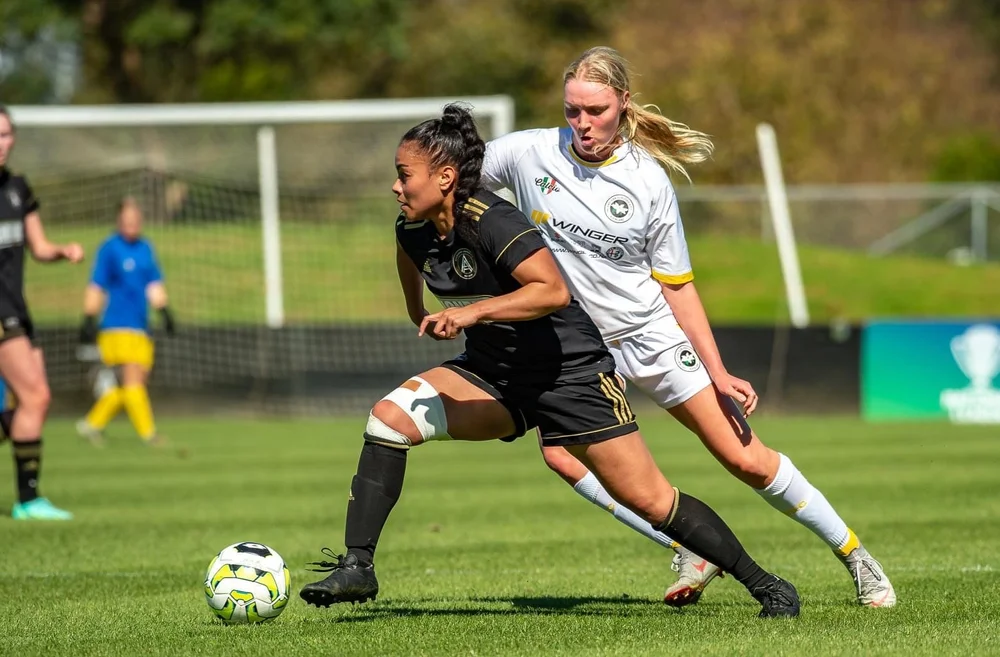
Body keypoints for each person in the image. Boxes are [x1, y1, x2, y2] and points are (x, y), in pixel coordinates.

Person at [298, 104, 800, 618]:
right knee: (389, 418)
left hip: (572, 374)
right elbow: (409, 255)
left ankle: (769, 586)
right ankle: (358, 565)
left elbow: (553, 291)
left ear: (446, 177)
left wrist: (471, 313)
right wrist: (415, 309)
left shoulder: (493, 220)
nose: (396, 187)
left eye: (405, 175)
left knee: (651, 501)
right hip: (493, 374)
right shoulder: (412, 228)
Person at [481, 46, 896, 609]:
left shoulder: (648, 183)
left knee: (744, 458)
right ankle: (688, 548)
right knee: (560, 456)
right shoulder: (527, 152)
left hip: (648, 337)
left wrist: (718, 372)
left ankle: (855, 555)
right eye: (573, 109)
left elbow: (677, 286)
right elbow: (453, 177)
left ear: (623, 103)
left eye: (596, 110)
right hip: (575, 347)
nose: (582, 123)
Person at [0, 105, 85, 520]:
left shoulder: (18, 188)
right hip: (1, 313)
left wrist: (62, 251)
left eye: (5, 134)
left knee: (33, 403)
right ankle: (27, 501)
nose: (1, 143)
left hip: (18, 308)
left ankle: (29, 499)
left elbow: (39, 246)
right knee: (36, 395)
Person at [76, 197, 175, 445]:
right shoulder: (110, 248)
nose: (132, 224)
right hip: (116, 325)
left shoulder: (145, 248)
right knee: (133, 378)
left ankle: (92, 424)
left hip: (140, 326)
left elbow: (153, 284)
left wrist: (165, 312)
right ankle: (149, 434)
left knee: (133, 383)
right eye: (127, 219)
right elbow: (96, 285)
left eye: (136, 220)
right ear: (119, 220)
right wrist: (89, 316)